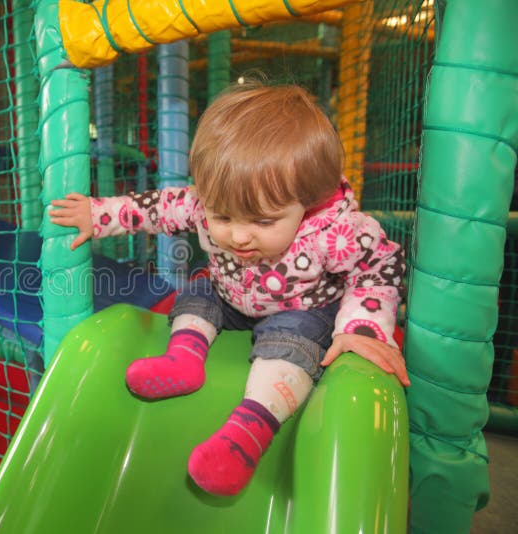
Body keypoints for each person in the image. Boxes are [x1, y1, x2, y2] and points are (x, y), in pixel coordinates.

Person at [50, 82, 409, 496]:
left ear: (306, 201)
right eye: (223, 216)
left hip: (302, 306)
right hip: (232, 294)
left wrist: (361, 327)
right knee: (198, 292)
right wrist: (97, 214)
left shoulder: (333, 231)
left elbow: (379, 263)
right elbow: (155, 208)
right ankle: (184, 358)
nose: (239, 236)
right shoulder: (209, 200)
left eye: (262, 222)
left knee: (290, 340)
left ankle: (248, 433)